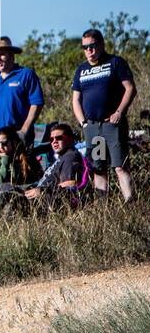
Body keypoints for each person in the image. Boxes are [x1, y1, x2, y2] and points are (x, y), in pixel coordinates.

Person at [71, 28, 136, 201]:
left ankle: (130, 203)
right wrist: (84, 123)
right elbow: (76, 99)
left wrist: (119, 112)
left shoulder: (115, 62)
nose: (89, 50)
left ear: (101, 44)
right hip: (93, 127)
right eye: (85, 47)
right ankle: (102, 208)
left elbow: (130, 88)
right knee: (98, 168)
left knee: (120, 166)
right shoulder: (81, 70)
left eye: (92, 46)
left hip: (112, 125)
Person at [0, 36, 44, 157]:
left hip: (19, 136)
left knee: (22, 172)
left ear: (11, 55)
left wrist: (24, 131)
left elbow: (37, 103)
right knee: (1, 173)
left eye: (2, 54)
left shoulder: (26, 74)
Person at [25, 122, 87, 207]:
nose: (54, 141)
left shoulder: (70, 157)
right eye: (51, 139)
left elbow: (70, 185)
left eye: (59, 138)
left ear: (70, 139)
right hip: (38, 193)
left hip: (45, 200)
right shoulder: (62, 157)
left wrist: (43, 191)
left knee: (7, 197)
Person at [0, 128, 42, 204]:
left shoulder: (26, 158)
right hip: (5, 197)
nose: (0, 147)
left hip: (25, 196)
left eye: (4, 143)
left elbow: (17, 180)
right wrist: (4, 159)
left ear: (14, 142)